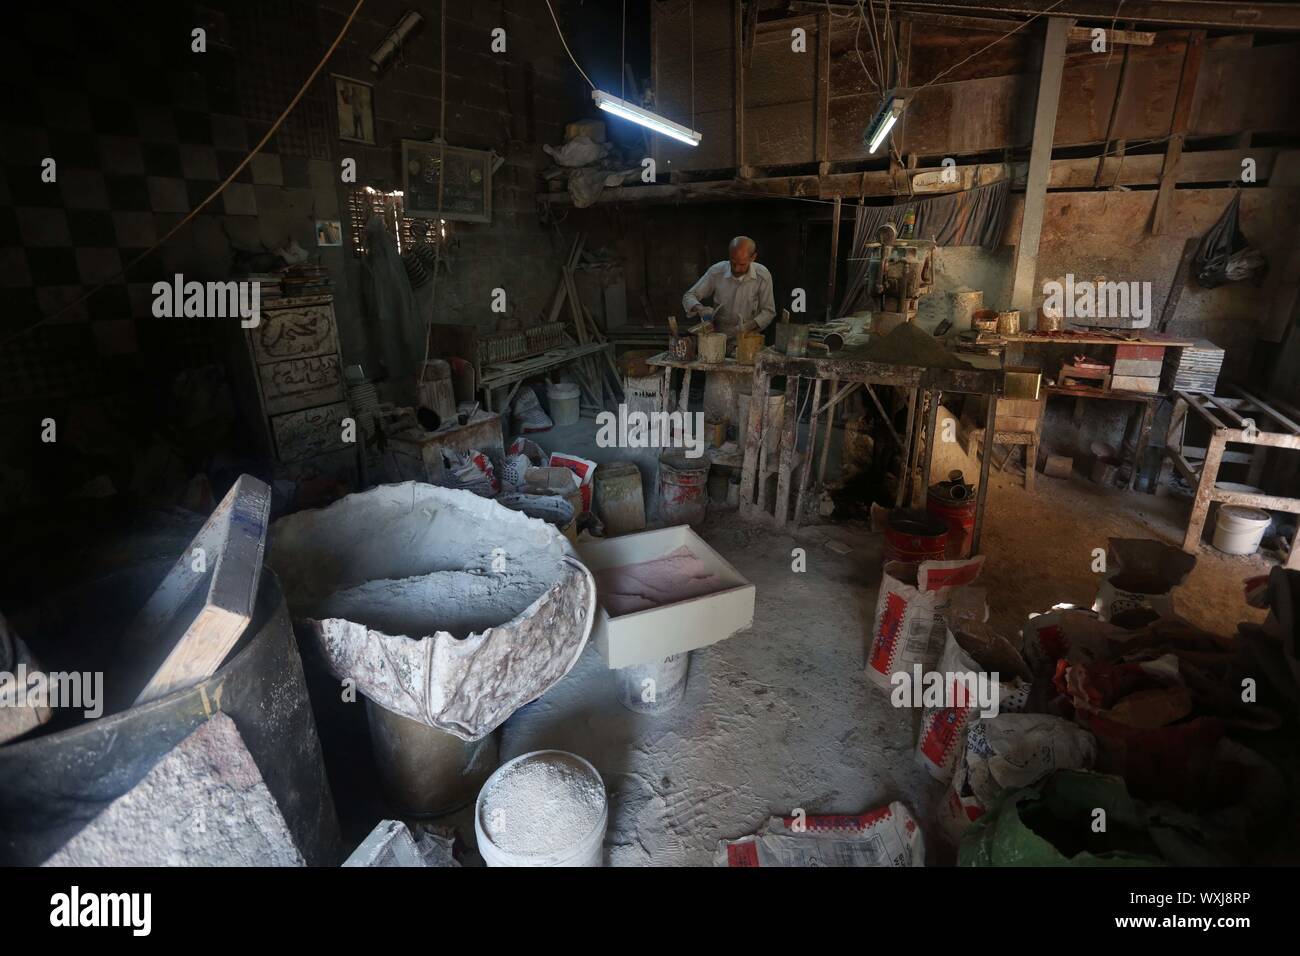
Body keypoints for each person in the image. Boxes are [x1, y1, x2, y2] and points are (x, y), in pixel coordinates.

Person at [682, 236, 776, 338]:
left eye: (742, 264)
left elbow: (768, 312)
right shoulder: (717, 271)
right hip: (717, 336)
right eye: (733, 262)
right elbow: (689, 296)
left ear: (753, 258)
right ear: (729, 255)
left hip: (747, 338)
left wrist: (747, 327)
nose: (736, 269)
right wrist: (701, 309)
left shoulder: (762, 275)